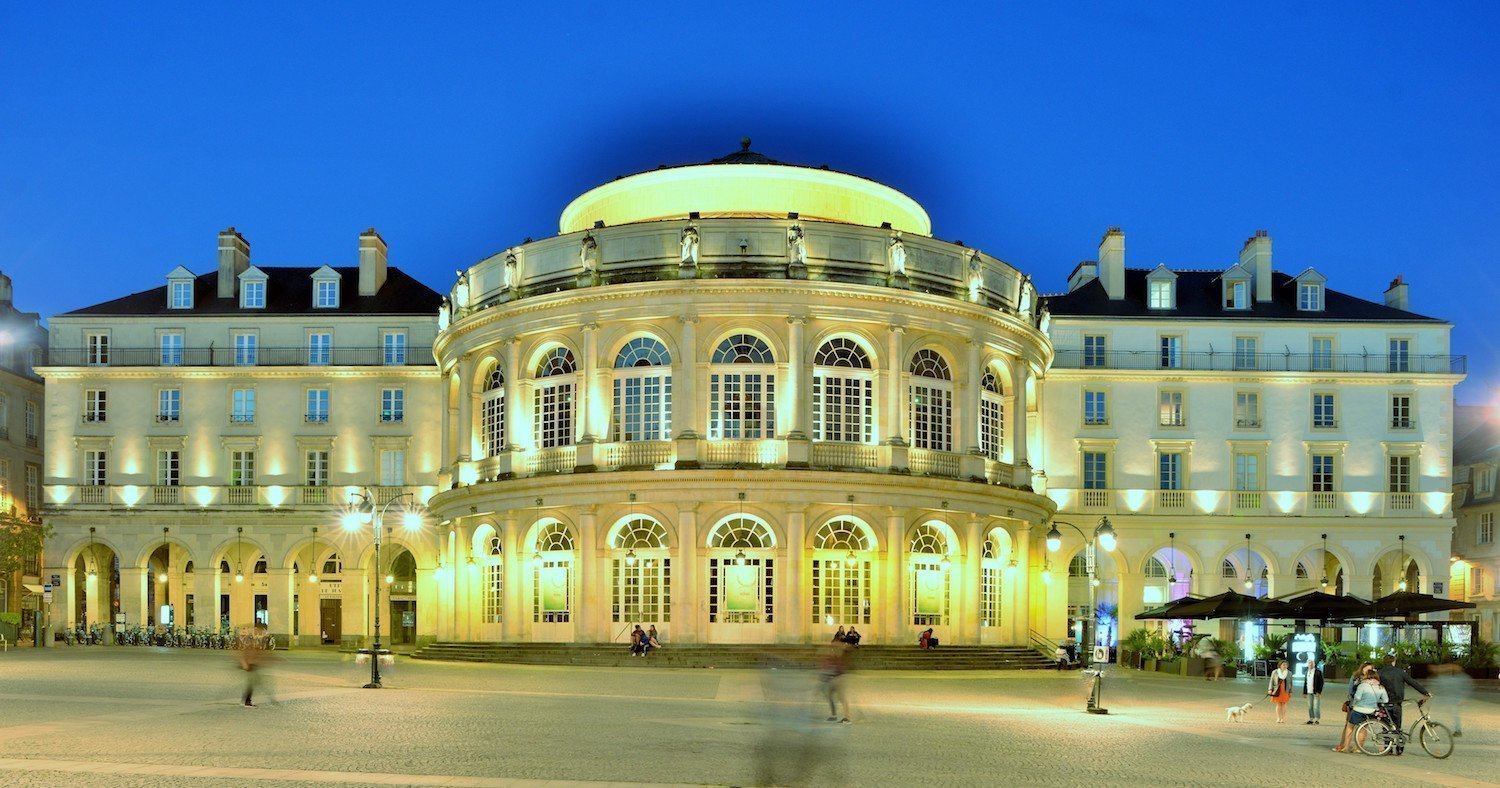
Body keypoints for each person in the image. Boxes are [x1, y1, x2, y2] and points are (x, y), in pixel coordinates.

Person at [1376, 653, 1431, 754]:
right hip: (1397, 702)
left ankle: (1387, 747)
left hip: (1384, 703)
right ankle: (1399, 748)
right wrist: (1425, 692)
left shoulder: (1379, 673)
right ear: (1394, 662)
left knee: (1386, 725)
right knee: (1397, 725)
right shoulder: (1400, 672)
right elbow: (1413, 682)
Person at [1335, 665, 1388, 753]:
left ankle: (1346, 747)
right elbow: (1386, 700)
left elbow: (1357, 697)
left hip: (1359, 709)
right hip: (1371, 710)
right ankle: (1358, 748)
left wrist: (1354, 703)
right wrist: (1375, 700)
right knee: (1363, 728)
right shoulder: (1381, 687)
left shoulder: (1363, 685)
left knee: (1350, 726)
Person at [819, 641, 852, 724]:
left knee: (842, 697)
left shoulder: (841, 655)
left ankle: (847, 718)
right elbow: (827, 667)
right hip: (834, 678)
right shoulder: (832, 656)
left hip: (840, 678)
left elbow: (848, 648)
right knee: (829, 695)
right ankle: (834, 715)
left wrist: (838, 645)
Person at [1303, 657, 1325, 725]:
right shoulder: (1307, 672)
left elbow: (1321, 682)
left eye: (1312, 663)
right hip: (1309, 691)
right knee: (1310, 706)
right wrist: (1304, 692)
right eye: (1309, 663)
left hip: (1316, 692)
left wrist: (1319, 691)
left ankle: (1317, 719)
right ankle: (1311, 718)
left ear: (1314, 664)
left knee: (1316, 706)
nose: (1310, 664)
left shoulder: (1318, 672)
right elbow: (1305, 682)